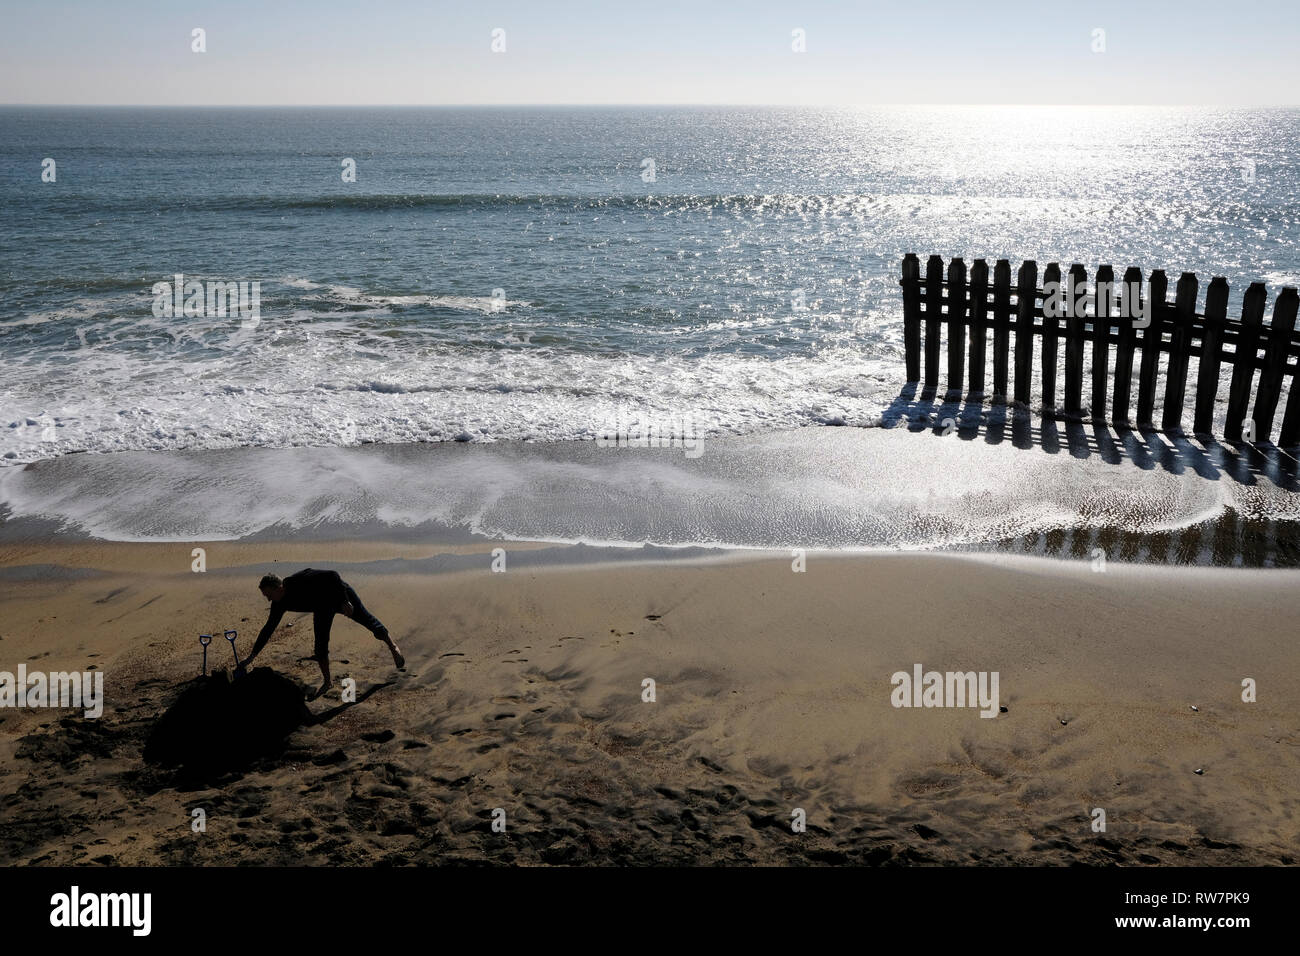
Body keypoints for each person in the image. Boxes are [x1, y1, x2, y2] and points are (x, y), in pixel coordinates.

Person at [245, 568, 404, 700]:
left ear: (278, 587)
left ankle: (393, 647)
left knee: (367, 620)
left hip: (339, 595)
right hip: (322, 609)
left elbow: (332, 575)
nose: (268, 600)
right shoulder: (278, 604)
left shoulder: (298, 580)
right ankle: (327, 682)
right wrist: (252, 655)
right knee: (320, 644)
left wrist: (344, 600)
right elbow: (268, 628)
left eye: (268, 595)